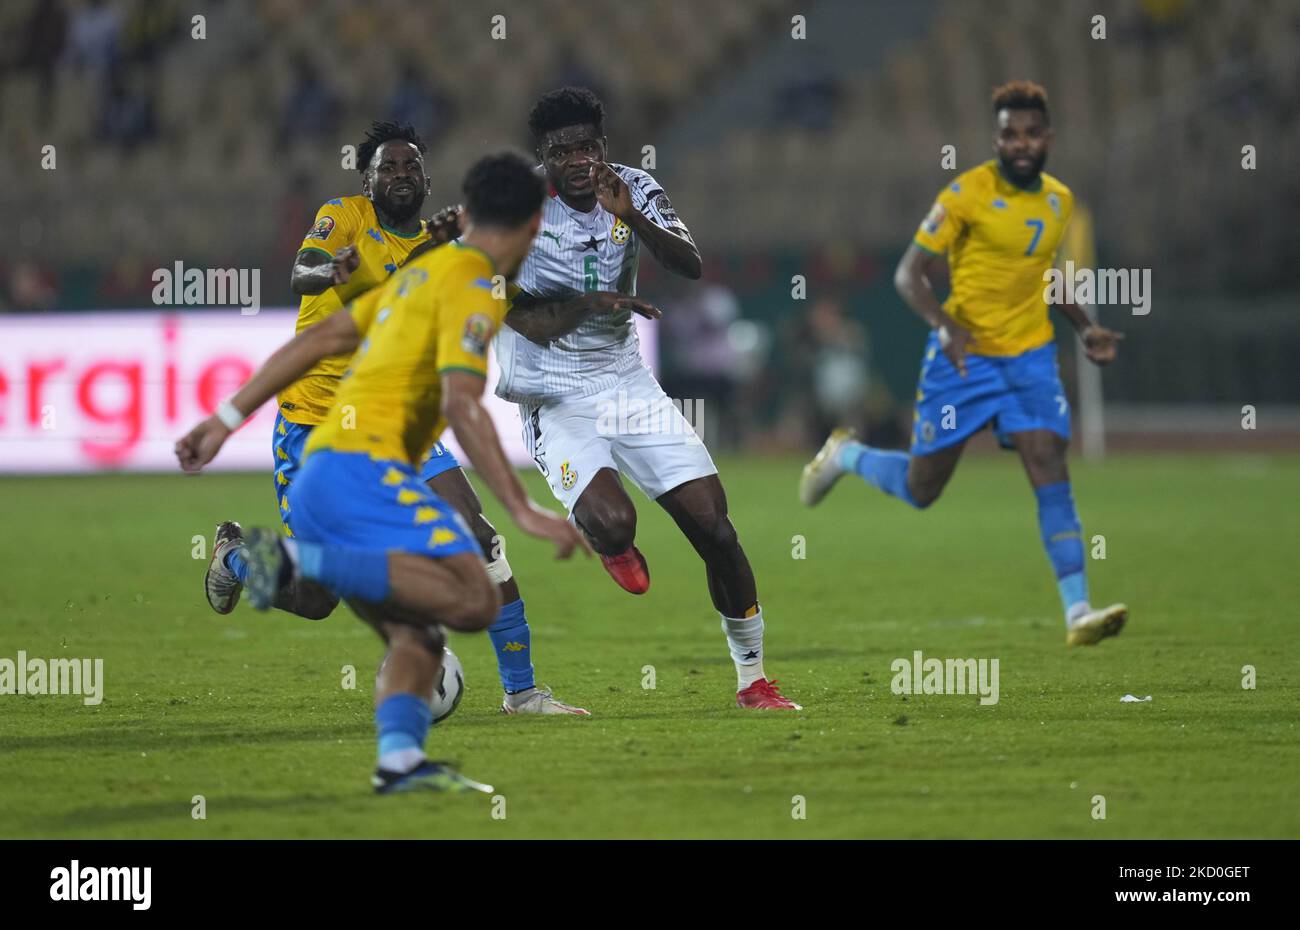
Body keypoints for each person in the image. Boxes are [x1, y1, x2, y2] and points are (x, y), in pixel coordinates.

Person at [176, 152, 589, 793]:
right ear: (534, 226)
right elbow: (461, 403)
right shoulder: (472, 284)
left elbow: (316, 340)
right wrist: (525, 507)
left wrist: (223, 419)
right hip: (358, 469)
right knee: (471, 597)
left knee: (416, 633)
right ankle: (287, 561)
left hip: (337, 470)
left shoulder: (414, 278)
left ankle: (400, 762)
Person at [494, 87, 801, 709]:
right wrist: (589, 304)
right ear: (542, 158)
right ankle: (610, 542)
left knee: (716, 529)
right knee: (614, 523)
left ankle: (753, 679)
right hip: (553, 394)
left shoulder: (634, 186)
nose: (579, 160)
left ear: (602, 148)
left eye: (588, 147)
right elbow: (512, 312)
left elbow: (688, 263)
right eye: (562, 151)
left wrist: (631, 216)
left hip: (627, 383)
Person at [800, 81, 1127, 647]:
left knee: (1049, 465)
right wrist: (947, 326)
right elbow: (908, 274)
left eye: (1030, 133)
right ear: (996, 138)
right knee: (921, 489)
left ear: (1047, 137)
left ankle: (1078, 612)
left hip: (1029, 358)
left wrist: (1084, 326)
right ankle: (846, 454)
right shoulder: (965, 194)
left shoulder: (1058, 201)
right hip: (964, 360)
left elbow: (1042, 273)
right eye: (1008, 134)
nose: (1020, 143)